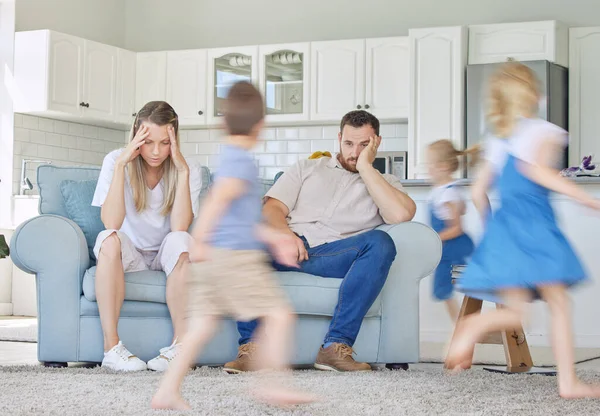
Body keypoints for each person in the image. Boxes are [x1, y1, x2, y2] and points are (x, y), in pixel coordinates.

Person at [151, 81, 315, 410]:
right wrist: (200, 238)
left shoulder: (227, 155)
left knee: (200, 327)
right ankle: (273, 385)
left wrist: (273, 237)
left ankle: (167, 390)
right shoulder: (242, 161)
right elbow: (219, 199)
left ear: (223, 124)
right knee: (281, 315)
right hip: (236, 259)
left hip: (215, 257)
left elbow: (239, 218)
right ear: (261, 126)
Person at [445, 61, 600, 399]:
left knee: (517, 312)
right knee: (558, 303)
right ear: (532, 95)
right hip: (535, 229)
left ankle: (473, 326)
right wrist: (584, 198)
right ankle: (569, 383)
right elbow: (539, 173)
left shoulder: (499, 139)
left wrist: (493, 233)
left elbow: (476, 192)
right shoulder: (543, 131)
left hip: (506, 230)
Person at [225, 110, 417, 373]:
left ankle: (334, 348)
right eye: (349, 143)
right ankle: (253, 350)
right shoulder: (307, 168)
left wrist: (365, 167)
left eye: (363, 145)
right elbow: (272, 209)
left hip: (332, 255)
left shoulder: (385, 183)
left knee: (381, 243)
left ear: (376, 143)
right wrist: (285, 235)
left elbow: (401, 215)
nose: (354, 151)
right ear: (339, 138)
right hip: (286, 245)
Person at [91, 101, 203, 372]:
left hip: (166, 255)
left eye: (165, 143)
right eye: (148, 142)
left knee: (181, 240)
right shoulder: (115, 160)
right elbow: (111, 222)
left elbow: (179, 227)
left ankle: (180, 346)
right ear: (135, 136)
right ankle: (112, 348)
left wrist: (183, 172)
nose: (156, 152)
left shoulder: (189, 168)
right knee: (108, 238)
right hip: (130, 256)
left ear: (174, 139)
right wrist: (121, 166)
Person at [426, 140, 476, 321]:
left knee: (447, 289)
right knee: (445, 292)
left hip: (453, 249)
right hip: (445, 249)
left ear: (443, 167)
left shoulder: (448, 193)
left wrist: (433, 239)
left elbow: (456, 228)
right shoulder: (441, 191)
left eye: (430, 164)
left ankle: (463, 327)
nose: (427, 168)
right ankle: (461, 326)